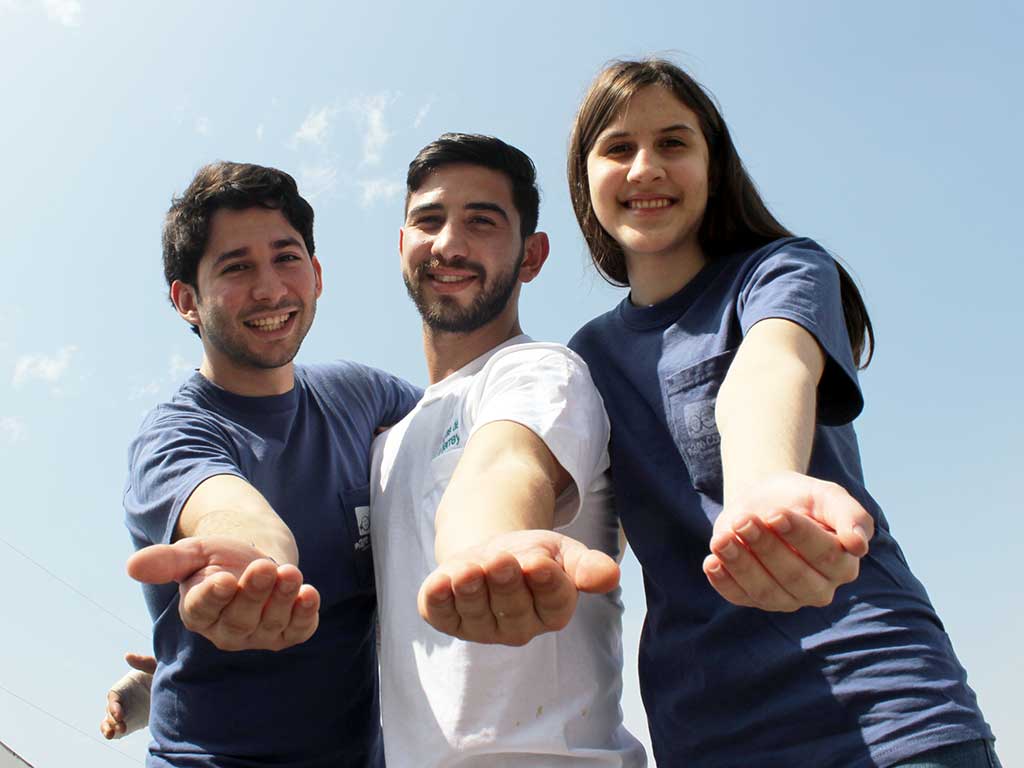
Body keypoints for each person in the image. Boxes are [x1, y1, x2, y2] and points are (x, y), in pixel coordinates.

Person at [566, 58, 998, 767]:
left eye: (674, 143)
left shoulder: (782, 270)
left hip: (883, 706)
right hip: (706, 733)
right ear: (585, 180)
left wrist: (763, 486)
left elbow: (771, 369)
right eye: (618, 148)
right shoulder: (584, 359)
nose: (646, 167)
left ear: (714, 165)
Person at [118, 161, 421, 767]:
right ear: (186, 301)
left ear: (316, 273)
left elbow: (457, 430)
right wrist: (257, 564)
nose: (270, 289)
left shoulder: (363, 394)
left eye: (286, 258)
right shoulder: (173, 435)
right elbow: (227, 509)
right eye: (236, 268)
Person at [371, 133, 644, 767]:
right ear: (402, 243)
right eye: (429, 220)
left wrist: (487, 547)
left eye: (482, 222)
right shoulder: (385, 444)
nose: (449, 244)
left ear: (532, 256)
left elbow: (506, 464)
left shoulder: (542, 371)